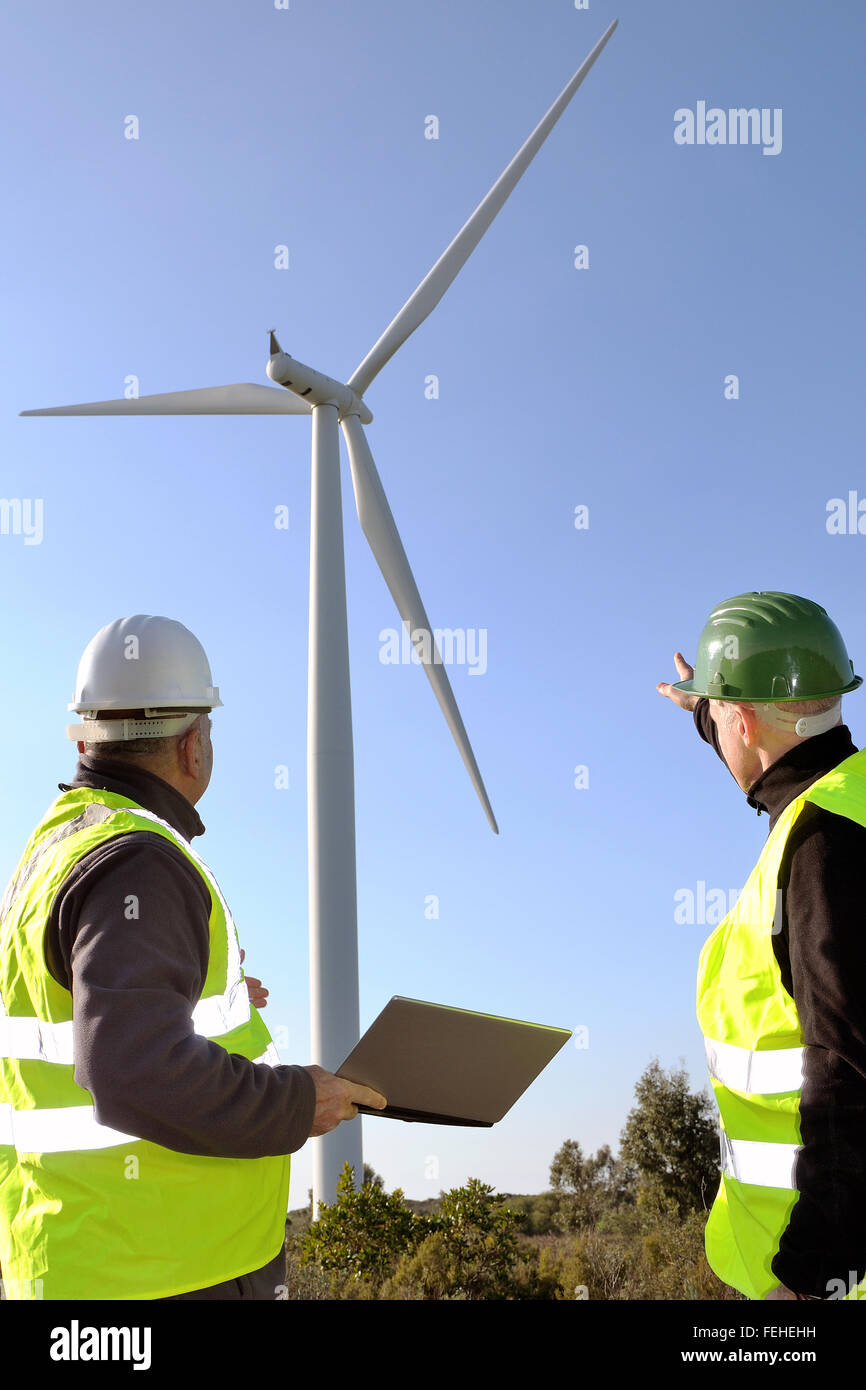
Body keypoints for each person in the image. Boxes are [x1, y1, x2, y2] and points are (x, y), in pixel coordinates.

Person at [0, 614, 385, 1301]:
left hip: (75, 1263)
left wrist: (193, 991)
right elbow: (130, 1067)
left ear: (85, 734)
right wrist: (298, 1102)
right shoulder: (138, 862)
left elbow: (69, 1019)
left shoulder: (54, 851)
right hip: (160, 1272)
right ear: (192, 746)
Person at [657, 590, 866, 1302]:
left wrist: (808, 1284)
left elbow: (850, 1081)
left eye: (720, 713)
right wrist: (703, 710)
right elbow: (770, 762)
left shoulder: (819, 853)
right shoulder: (847, 802)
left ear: (743, 720)